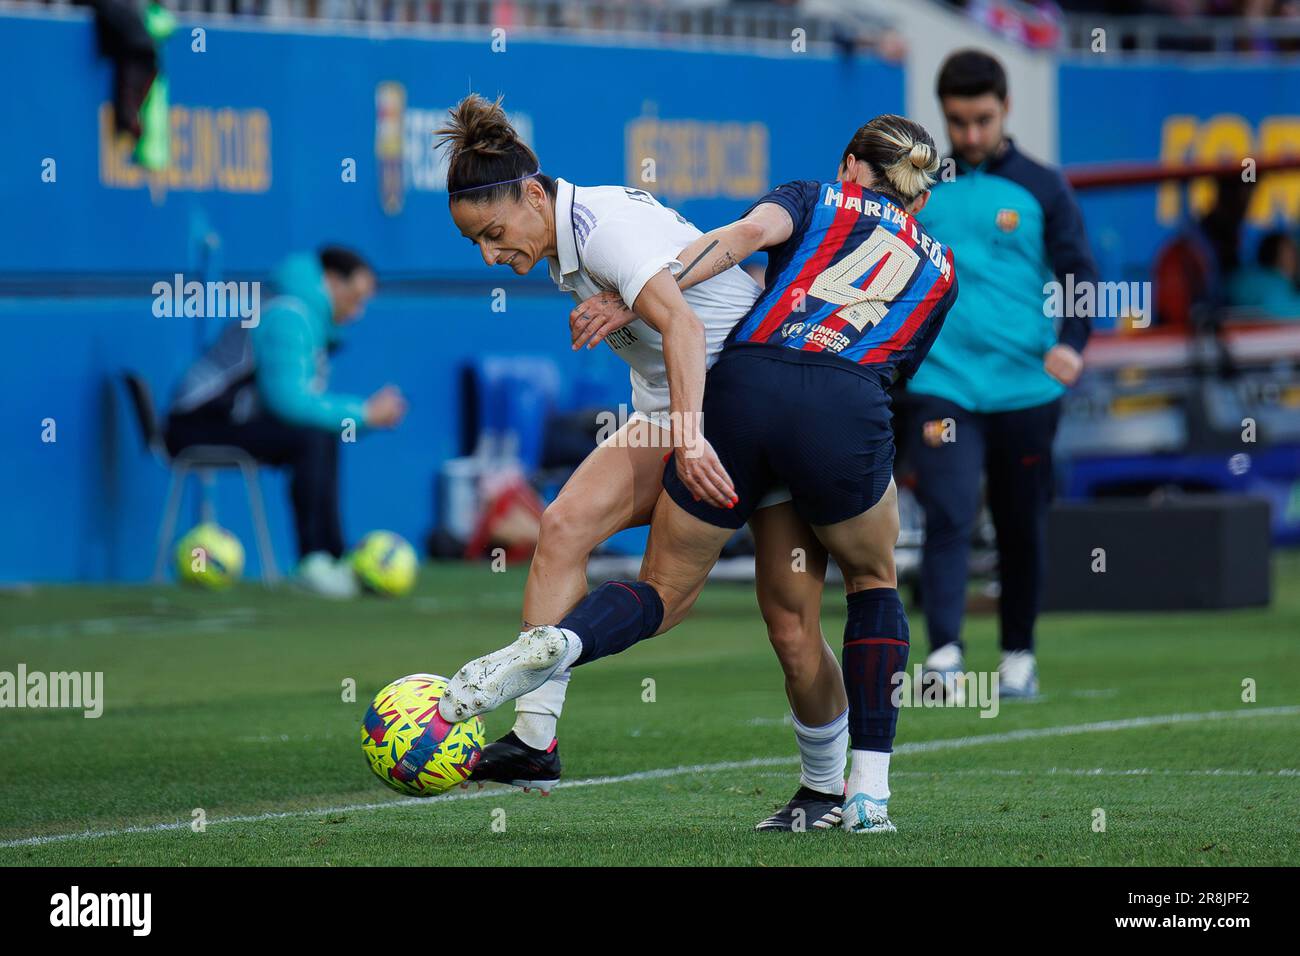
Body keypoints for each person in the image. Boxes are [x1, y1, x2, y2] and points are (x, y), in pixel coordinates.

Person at [438, 114, 956, 834]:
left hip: (723, 395)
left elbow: (690, 311)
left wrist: (688, 436)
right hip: (749, 400)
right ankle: (534, 738)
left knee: (748, 616)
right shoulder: (938, 261)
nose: (491, 256)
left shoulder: (613, 227)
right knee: (566, 526)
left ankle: (820, 787)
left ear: (531, 195)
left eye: (493, 235)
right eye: (478, 244)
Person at [905, 49, 1097, 699]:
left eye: (982, 119)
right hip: (941, 381)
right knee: (949, 510)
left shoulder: (1044, 185)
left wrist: (1072, 340)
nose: (970, 135)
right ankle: (945, 659)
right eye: (957, 122)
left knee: (1019, 523)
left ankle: (1018, 656)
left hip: (1025, 386)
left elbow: (1078, 273)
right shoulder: (917, 185)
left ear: (1006, 107)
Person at [165, 246, 407, 597]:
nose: (357, 312)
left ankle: (331, 558)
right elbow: (289, 404)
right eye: (355, 298)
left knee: (319, 436)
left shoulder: (302, 315)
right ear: (331, 282)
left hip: (225, 421)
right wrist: (364, 413)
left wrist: (359, 418)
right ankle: (315, 562)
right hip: (193, 425)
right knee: (311, 437)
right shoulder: (288, 315)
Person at [1227, 230, 1300, 320]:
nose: (1296, 257)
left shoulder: (1245, 277)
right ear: (1279, 257)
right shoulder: (1274, 285)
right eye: (1292, 252)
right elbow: (1284, 311)